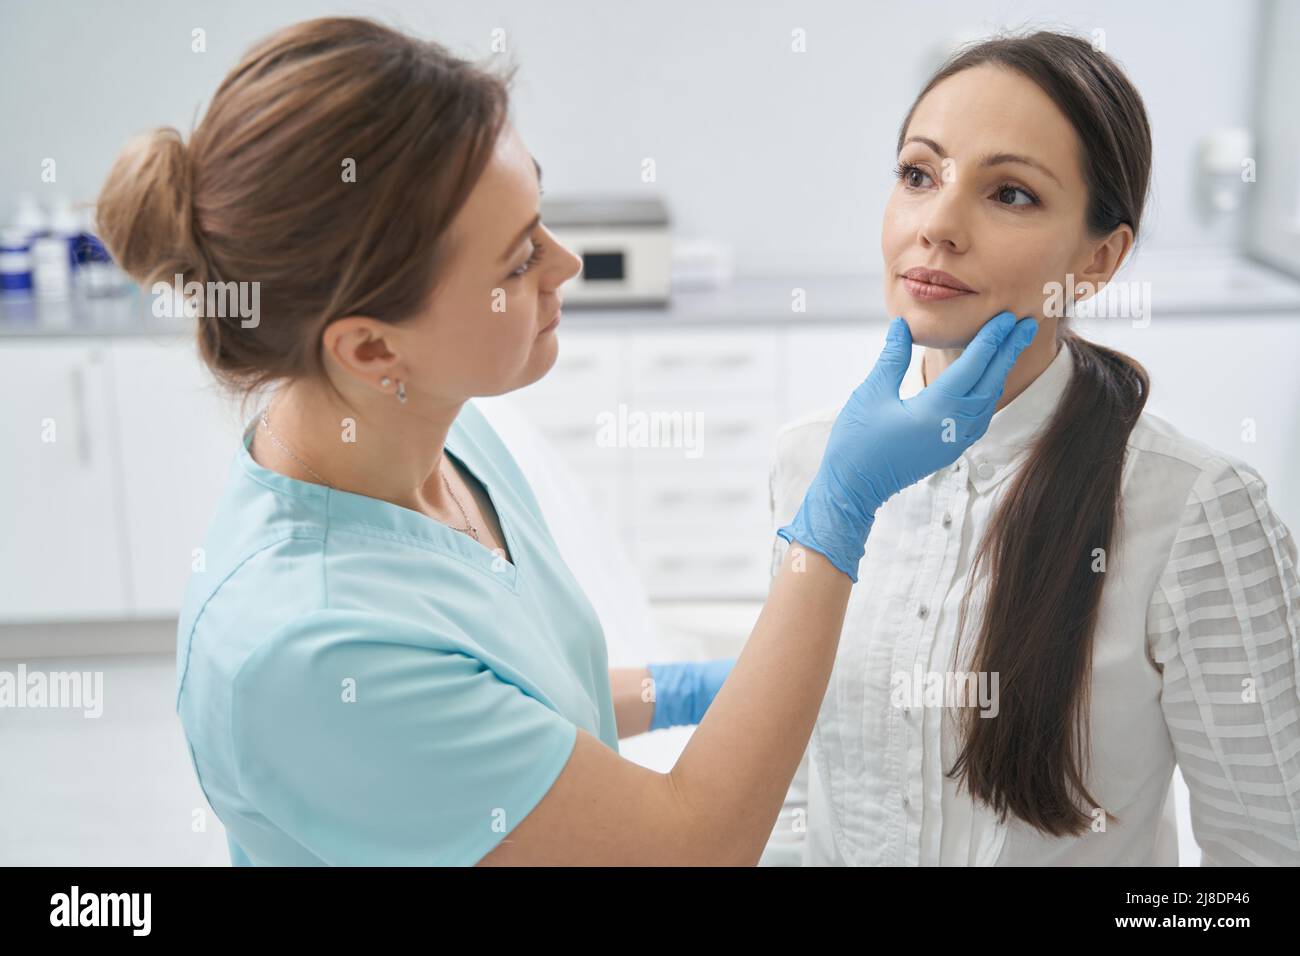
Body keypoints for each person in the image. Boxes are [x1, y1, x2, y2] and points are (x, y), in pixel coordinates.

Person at [95, 17, 1038, 865]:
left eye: (538, 214)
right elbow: (691, 850)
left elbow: (505, 695)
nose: (567, 264)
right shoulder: (306, 656)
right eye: (517, 259)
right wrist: (838, 509)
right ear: (372, 345)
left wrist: (686, 690)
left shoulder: (437, 441)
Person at [769, 31, 1300, 866]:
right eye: (918, 174)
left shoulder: (1195, 511)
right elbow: (789, 794)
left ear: (1097, 259)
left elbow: (1265, 856)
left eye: (1009, 193)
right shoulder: (810, 468)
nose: (937, 227)